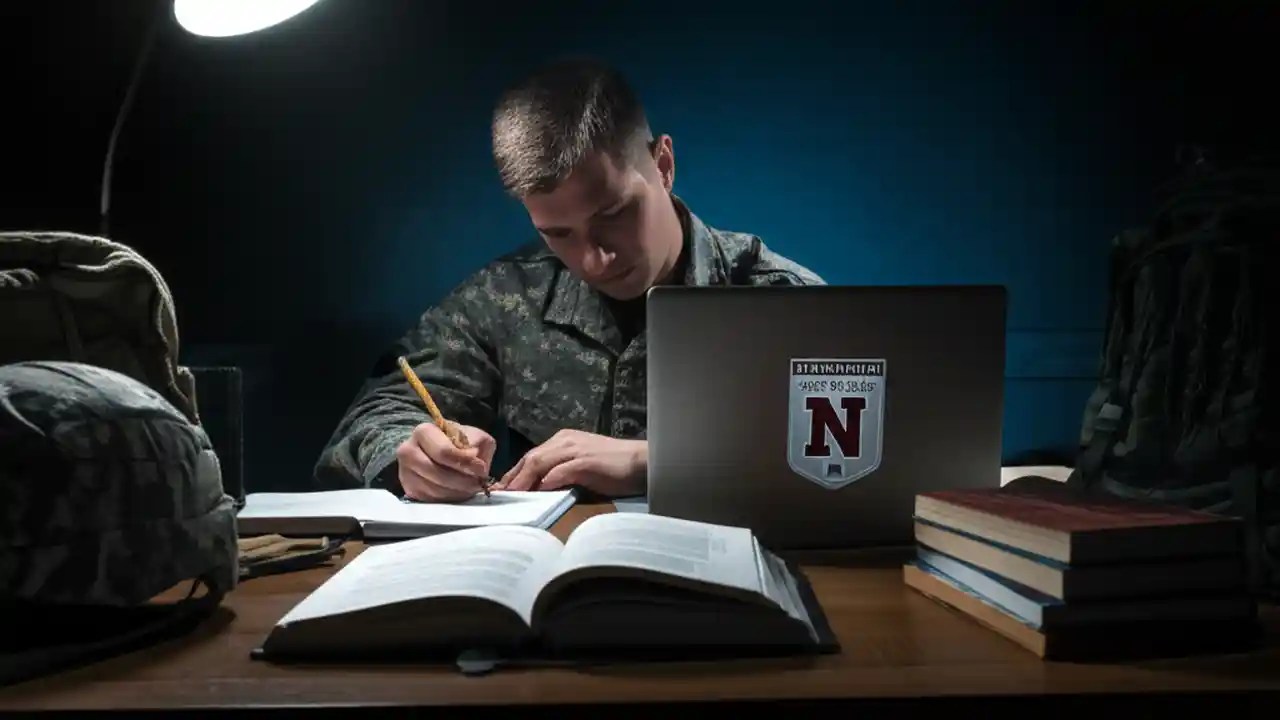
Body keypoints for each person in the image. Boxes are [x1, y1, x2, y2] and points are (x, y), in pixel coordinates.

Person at [314, 56, 824, 502]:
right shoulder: (505, 298)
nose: (596, 258)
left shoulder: (781, 301)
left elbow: (862, 457)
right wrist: (413, 454)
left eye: (616, 214)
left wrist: (658, 461)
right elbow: (374, 417)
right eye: (559, 234)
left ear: (663, 165)